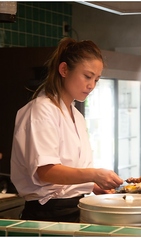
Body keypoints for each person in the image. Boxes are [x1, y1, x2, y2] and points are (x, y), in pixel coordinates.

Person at [10, 37, 123, 223]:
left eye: (96, 79)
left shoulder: (76, 115)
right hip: (48, 215)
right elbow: (46, 171)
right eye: (87, 76)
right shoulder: (42, 109)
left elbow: (70, 170)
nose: (92, 85)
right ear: (64, 70)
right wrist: (94, 174)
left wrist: (93, 185)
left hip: (74, 209)